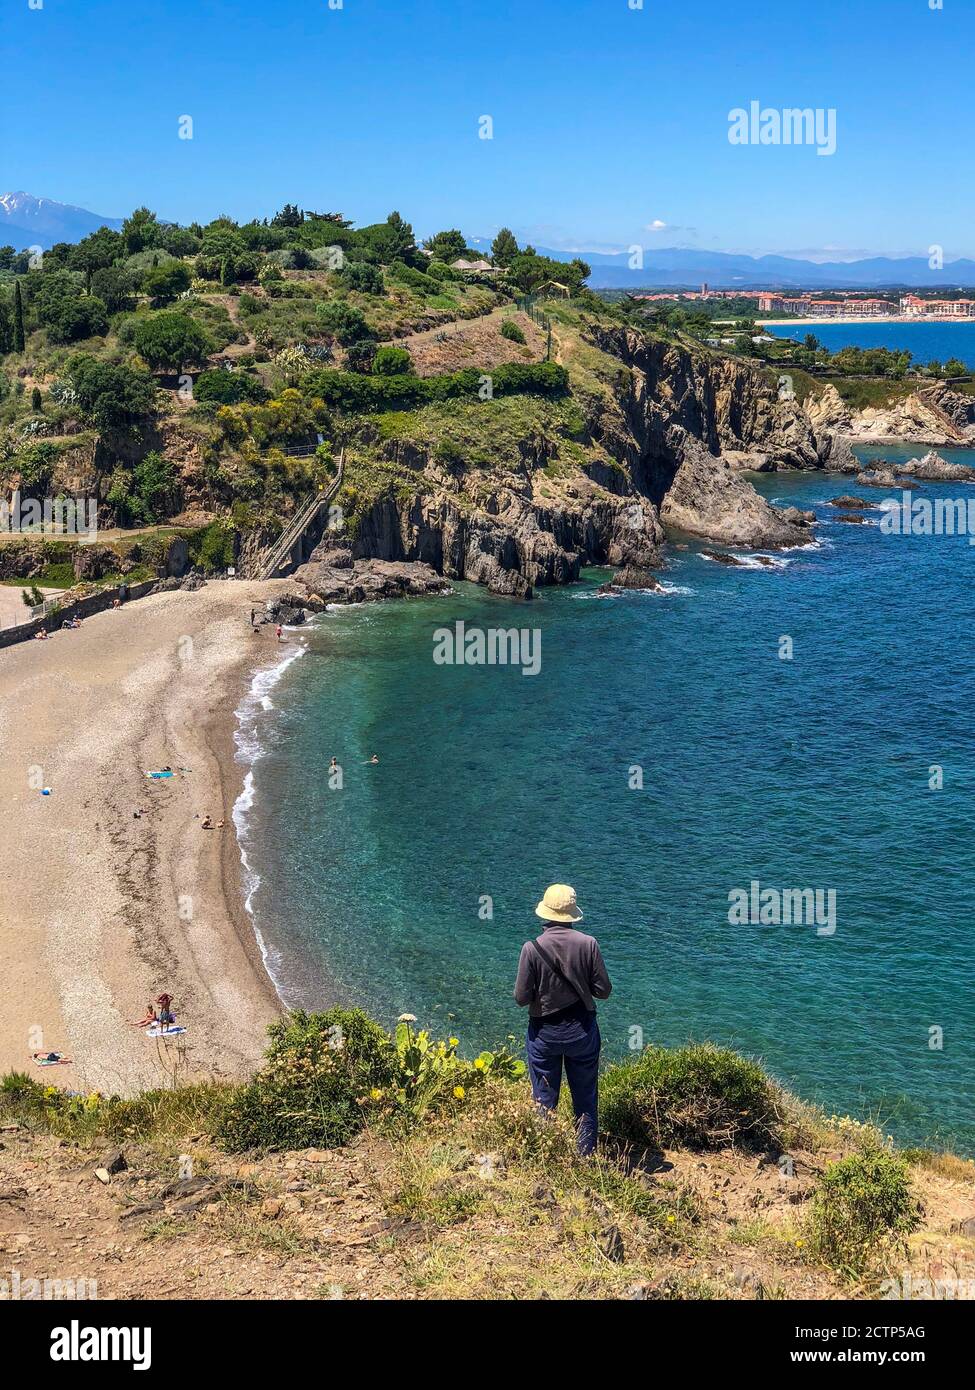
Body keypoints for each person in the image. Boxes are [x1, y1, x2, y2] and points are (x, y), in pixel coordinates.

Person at [513, 884, 612, 1157]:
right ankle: (586, 1157)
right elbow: (603, 991)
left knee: (544, 1100)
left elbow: (521, 998)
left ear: (545, 912)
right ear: (571, 915)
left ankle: (546, 1158)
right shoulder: (588, 944)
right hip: (582, 1031)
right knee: (585, 1098)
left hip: (545, 1034)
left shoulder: (531, 948)